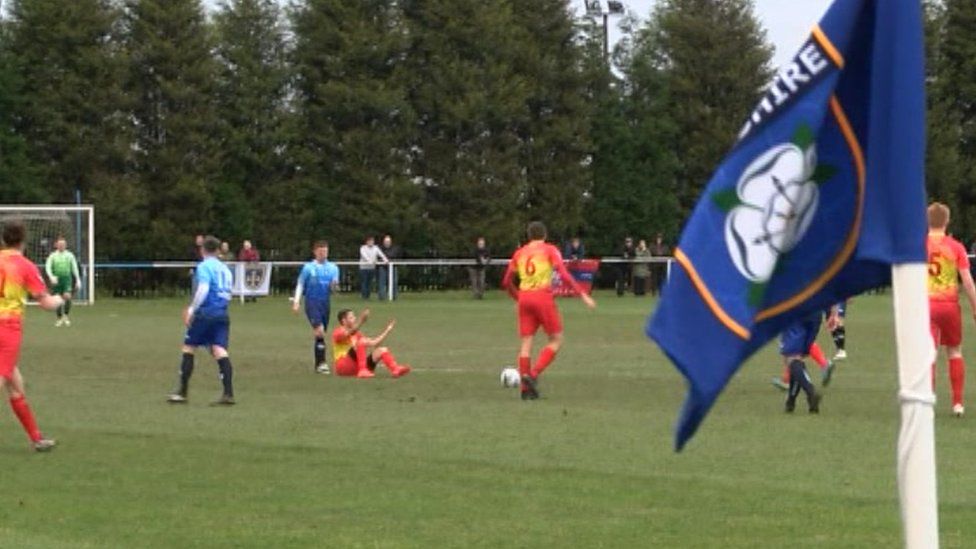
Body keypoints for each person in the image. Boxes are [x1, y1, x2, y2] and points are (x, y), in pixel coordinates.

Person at [502, 221, 596, 400]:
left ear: (529, 236)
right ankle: (533, 375)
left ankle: (525, 390)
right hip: (542, 297)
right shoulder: (550, 250)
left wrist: (518, 298)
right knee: (556, 339)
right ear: (544, 235)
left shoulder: (519, 253)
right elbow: (564, 274)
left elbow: (506, 282)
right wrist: (583, 294)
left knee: (526, 343)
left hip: (525, 298)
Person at [0, 220, 63, 451]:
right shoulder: (25, 266)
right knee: (3, 377)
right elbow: (46, 303)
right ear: (23, 241)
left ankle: (36, 439)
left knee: (16, 386)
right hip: (7, 328)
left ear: (4, 239)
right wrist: (60, 299)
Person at [167, 236, 236, 405]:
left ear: (202, 249)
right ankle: (228, 393)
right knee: (219, 350)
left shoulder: (204, 267)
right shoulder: (225, 269)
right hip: (222, 314)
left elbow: (204, 288)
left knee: (189, 347)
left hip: (205, 313)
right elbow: (228, 292)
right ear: (218, 250)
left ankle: (182, 392)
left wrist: (192, 309)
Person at [926, 202, 976, 417]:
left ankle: (927, 401)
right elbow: (968, 282)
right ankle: (957, 403)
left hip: (926, 305)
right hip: (949, 306)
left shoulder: (918, 245)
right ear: (947, 221)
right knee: (954, 351)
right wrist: (975, 306)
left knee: (928, 354)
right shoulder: (956, 247)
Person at [292, 241, 340, 374]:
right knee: (319, 331)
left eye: (325, 251)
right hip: (312, 302)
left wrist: (334, 287)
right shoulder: (308, 267)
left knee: (321, 333)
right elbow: (301, 284)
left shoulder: (333, 268)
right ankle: (321, 363)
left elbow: (334, 287)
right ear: (315, 252)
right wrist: (296, 301)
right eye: (321, 251)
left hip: (325, 303)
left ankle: (318, 364)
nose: (323, 253)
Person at [780, 309, 834, 414]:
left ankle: (810, 392)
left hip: (794, 311)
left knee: (793, 358)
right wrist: (833, 313)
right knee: (798, 358)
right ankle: (791, 401)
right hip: (815, 314)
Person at [332, 309, 411, 378]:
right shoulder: (338, 332)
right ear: (344, 321)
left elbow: (375, 343)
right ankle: (363, 370)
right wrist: (361, 321)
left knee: (382, 350)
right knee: (362, 341)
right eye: (351, 317)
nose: (355, 319)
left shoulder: (358, 334)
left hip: (355, 367)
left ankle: (395, 369)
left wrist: (387, 330)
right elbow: (351, 332)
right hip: (343, 367)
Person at [45, 235, 82, 327]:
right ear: (56, 245)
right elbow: (48, 266)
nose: (61, 246)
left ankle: (66, 315)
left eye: (63, 244)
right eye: (60, 244)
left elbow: (74, 267)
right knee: (57, 299)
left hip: (67, 279)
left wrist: (78, 279)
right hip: (57, 279)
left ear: (66, 245)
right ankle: (59, 318)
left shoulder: (70, 255)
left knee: (67, 296)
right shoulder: (53, 255)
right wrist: (51, 276)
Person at [378, 234, 400, 301]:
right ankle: (382, 297)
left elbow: (394, 255)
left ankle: (393, 297)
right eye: (386, 241)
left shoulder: (395, 248)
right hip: (383, 267)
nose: (387, 243)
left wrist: (385, 257)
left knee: (394, 282)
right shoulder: (380, 248)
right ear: (383, 242)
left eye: (388, 241)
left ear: (391, 242)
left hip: (393, 267)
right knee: (382, 283)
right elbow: (379, 256)